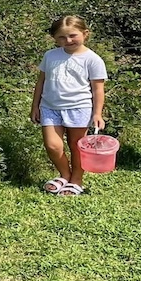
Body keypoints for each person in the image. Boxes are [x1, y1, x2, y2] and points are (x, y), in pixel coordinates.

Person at [31, 15, 107, 197]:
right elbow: (41, 82)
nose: (68, 41)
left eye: (73, 35)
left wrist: (97, 113)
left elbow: (98, 89)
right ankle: (65, 174)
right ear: (55, 39)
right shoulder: (50, 56)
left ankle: (76, 180)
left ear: (85, 34)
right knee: (53, 146)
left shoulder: (92, 59)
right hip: (50, 108)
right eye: (62, 37)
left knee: (77, 146)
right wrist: (35, 106)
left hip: (79, 108)